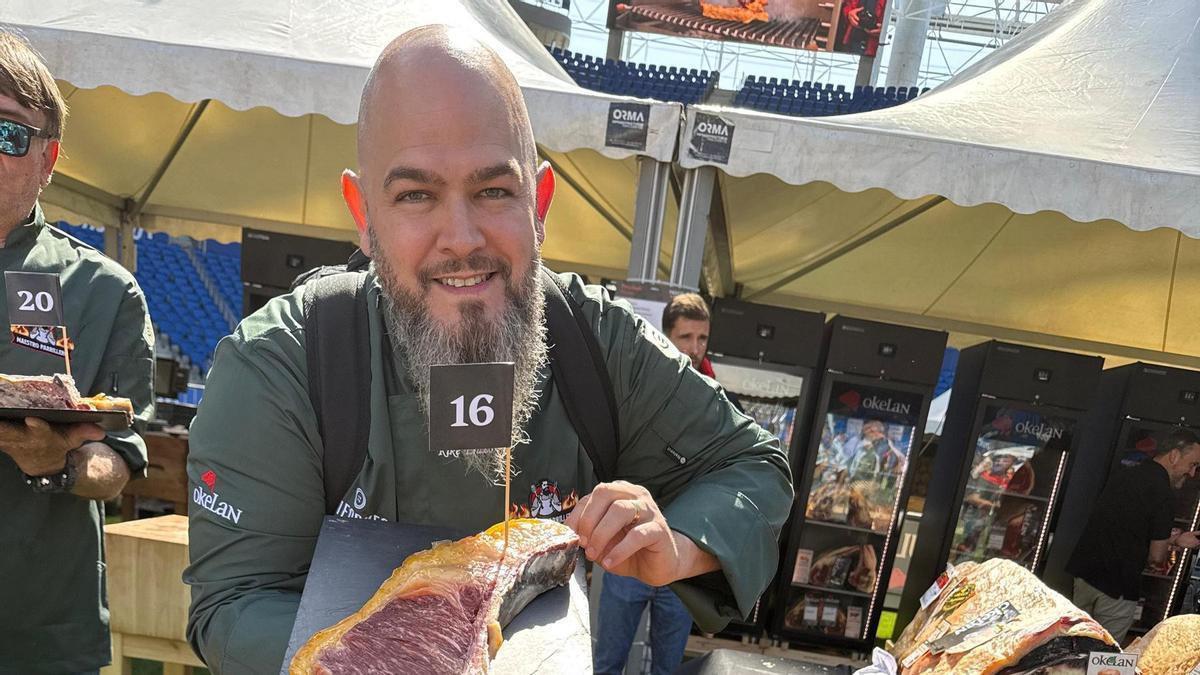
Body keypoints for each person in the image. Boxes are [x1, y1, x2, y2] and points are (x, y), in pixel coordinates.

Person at [183, 25, 792, 674]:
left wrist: (677, 544)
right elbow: (233, 604)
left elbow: (751, 465)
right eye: (415, 195)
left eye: (494, 190)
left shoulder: (593, 339)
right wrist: (399, 655)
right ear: (363, 214)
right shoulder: (281, 365)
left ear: (540, 202)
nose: (462, 237)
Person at [0, 30, 155, 674]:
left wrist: (58, 463)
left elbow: (120, 459)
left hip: (37, 633)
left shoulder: (102, 289)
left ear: (49, 159)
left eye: (7, 133)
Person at [593, 293, 713, 675]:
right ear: (667, 336)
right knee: (607, 663)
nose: (695, 347)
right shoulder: (638, 387)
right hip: (629, 549)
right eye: (686, 337)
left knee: (668, 669)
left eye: (702, 338)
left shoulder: (717, 402)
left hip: (679, 560)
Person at [1068, 429, 1200, 643]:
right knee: (1104, 653)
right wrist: (1165, 552)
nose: (1192, 473)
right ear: (1174, 455)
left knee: (1073, 643)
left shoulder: (1126, 474)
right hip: (1118, 585)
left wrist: (1176, 540)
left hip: (1085, 574)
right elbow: (1156, 558)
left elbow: (1128, 526)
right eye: (1192, 464)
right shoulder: (1163, 493)